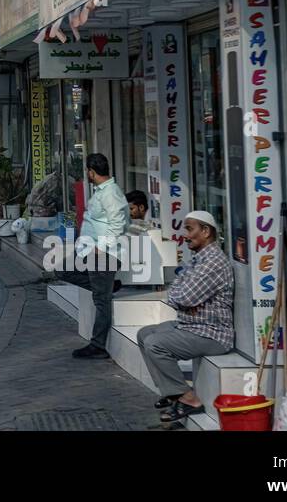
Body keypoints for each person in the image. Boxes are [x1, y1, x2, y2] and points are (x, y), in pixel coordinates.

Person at [138, 210, 234, 424]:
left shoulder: (213, 262)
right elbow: (176, 290)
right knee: (144, 334)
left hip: (211, 333)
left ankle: (188, 398)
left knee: (155, 344)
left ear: (206, 231)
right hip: (190, 324)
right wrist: (184, 301)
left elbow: (185, 297)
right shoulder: (199, 259)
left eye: (190, 229)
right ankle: (171, 392)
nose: (186, 235)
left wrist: (185, 300)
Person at [57, 152, 129, 359]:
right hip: (89, 250)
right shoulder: (101, 191)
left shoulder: (111, 193)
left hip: (103, 254)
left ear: (91, 172)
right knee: (62, 270)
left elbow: (118, 224)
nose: (86, 175)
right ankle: (107, 286)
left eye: (87, 171)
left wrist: (101, 247)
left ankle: (98, 346)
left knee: (101, 301)